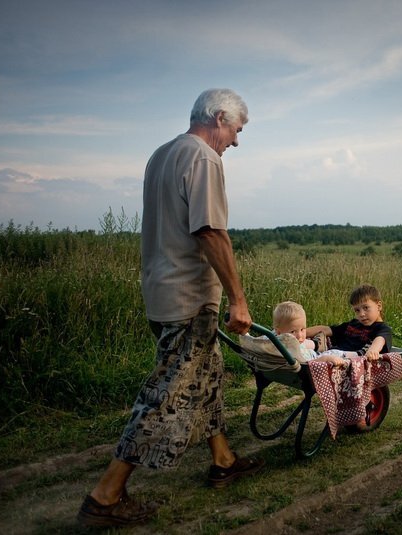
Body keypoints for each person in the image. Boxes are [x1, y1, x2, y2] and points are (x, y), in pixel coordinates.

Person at [77, 89, 264, 528]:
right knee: (167, 396)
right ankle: (105, 496)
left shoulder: (163, 153)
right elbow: (210, 231)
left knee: (207, 377)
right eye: (237, 129)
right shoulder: (203, 158)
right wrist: (238, 297)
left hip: (160, 292)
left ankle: (223, 459)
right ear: (219, 118)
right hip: (188, 298)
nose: (237, 141)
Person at [306, 284, 393, 364]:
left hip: (346, 358)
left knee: (324, 356)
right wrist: (302, 332)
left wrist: (373, 350)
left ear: (379, 306)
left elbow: (380, 340)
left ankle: (308, 363)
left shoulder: (383, 328)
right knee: (305, 347)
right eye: (357, 310)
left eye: (366, 308)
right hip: (330, 353)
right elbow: (327, 330)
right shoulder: (353, 324)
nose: (361, 314)